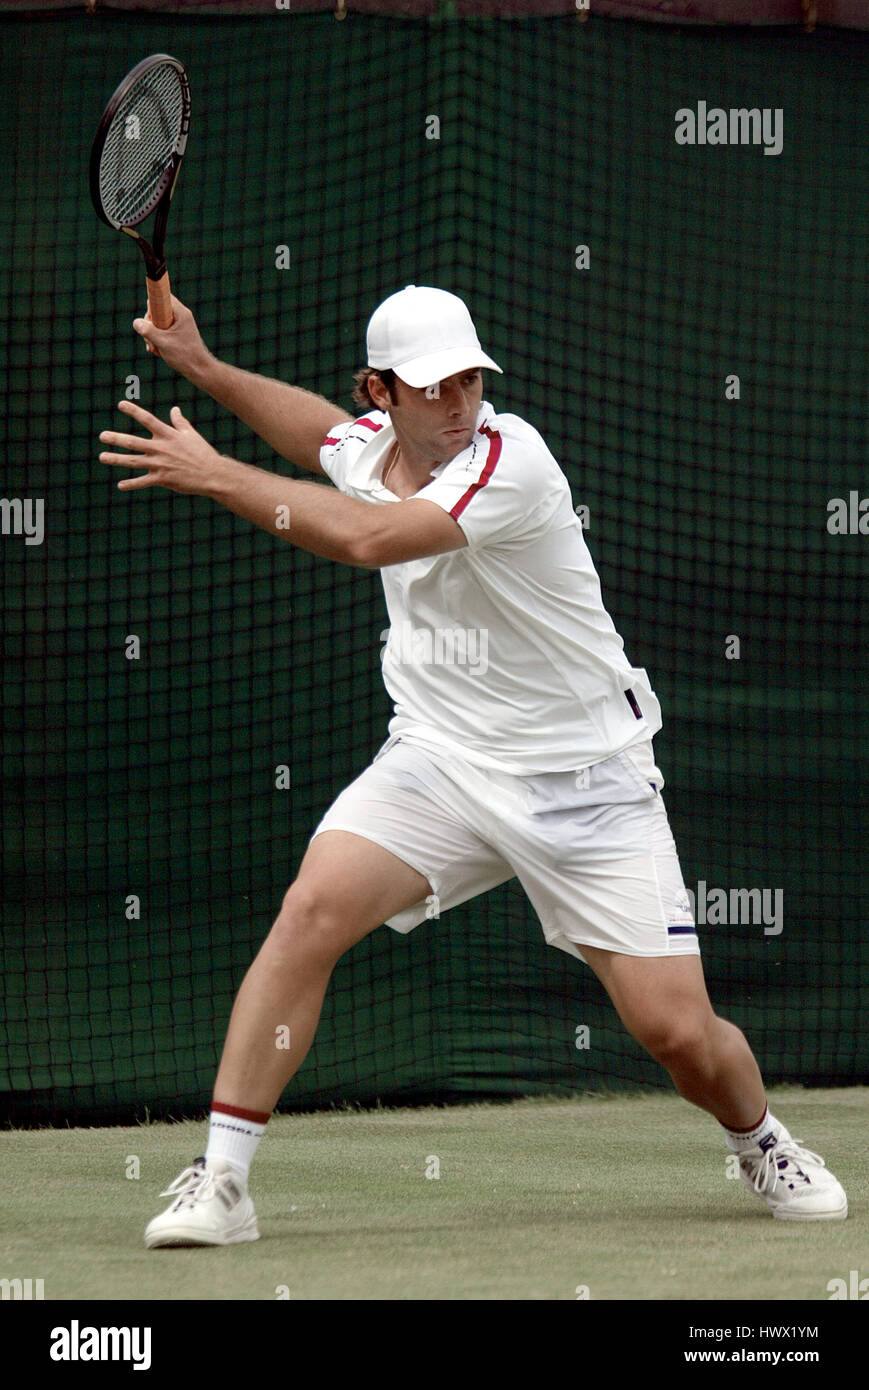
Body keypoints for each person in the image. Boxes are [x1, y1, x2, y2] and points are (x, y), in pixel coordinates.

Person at [98, 285, 847, 1247]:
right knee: (311, 911)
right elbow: (320, 437)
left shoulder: (510, 459)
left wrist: (215, 474)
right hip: (441, 760)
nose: (457, 402)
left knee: (677, 1036)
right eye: (430, 387)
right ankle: (224, 1182)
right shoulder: (370, 445)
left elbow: (368, 538)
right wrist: (203, 368)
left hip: (588, 783)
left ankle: (760, 1139)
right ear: (382, 394)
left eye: (467, 379)